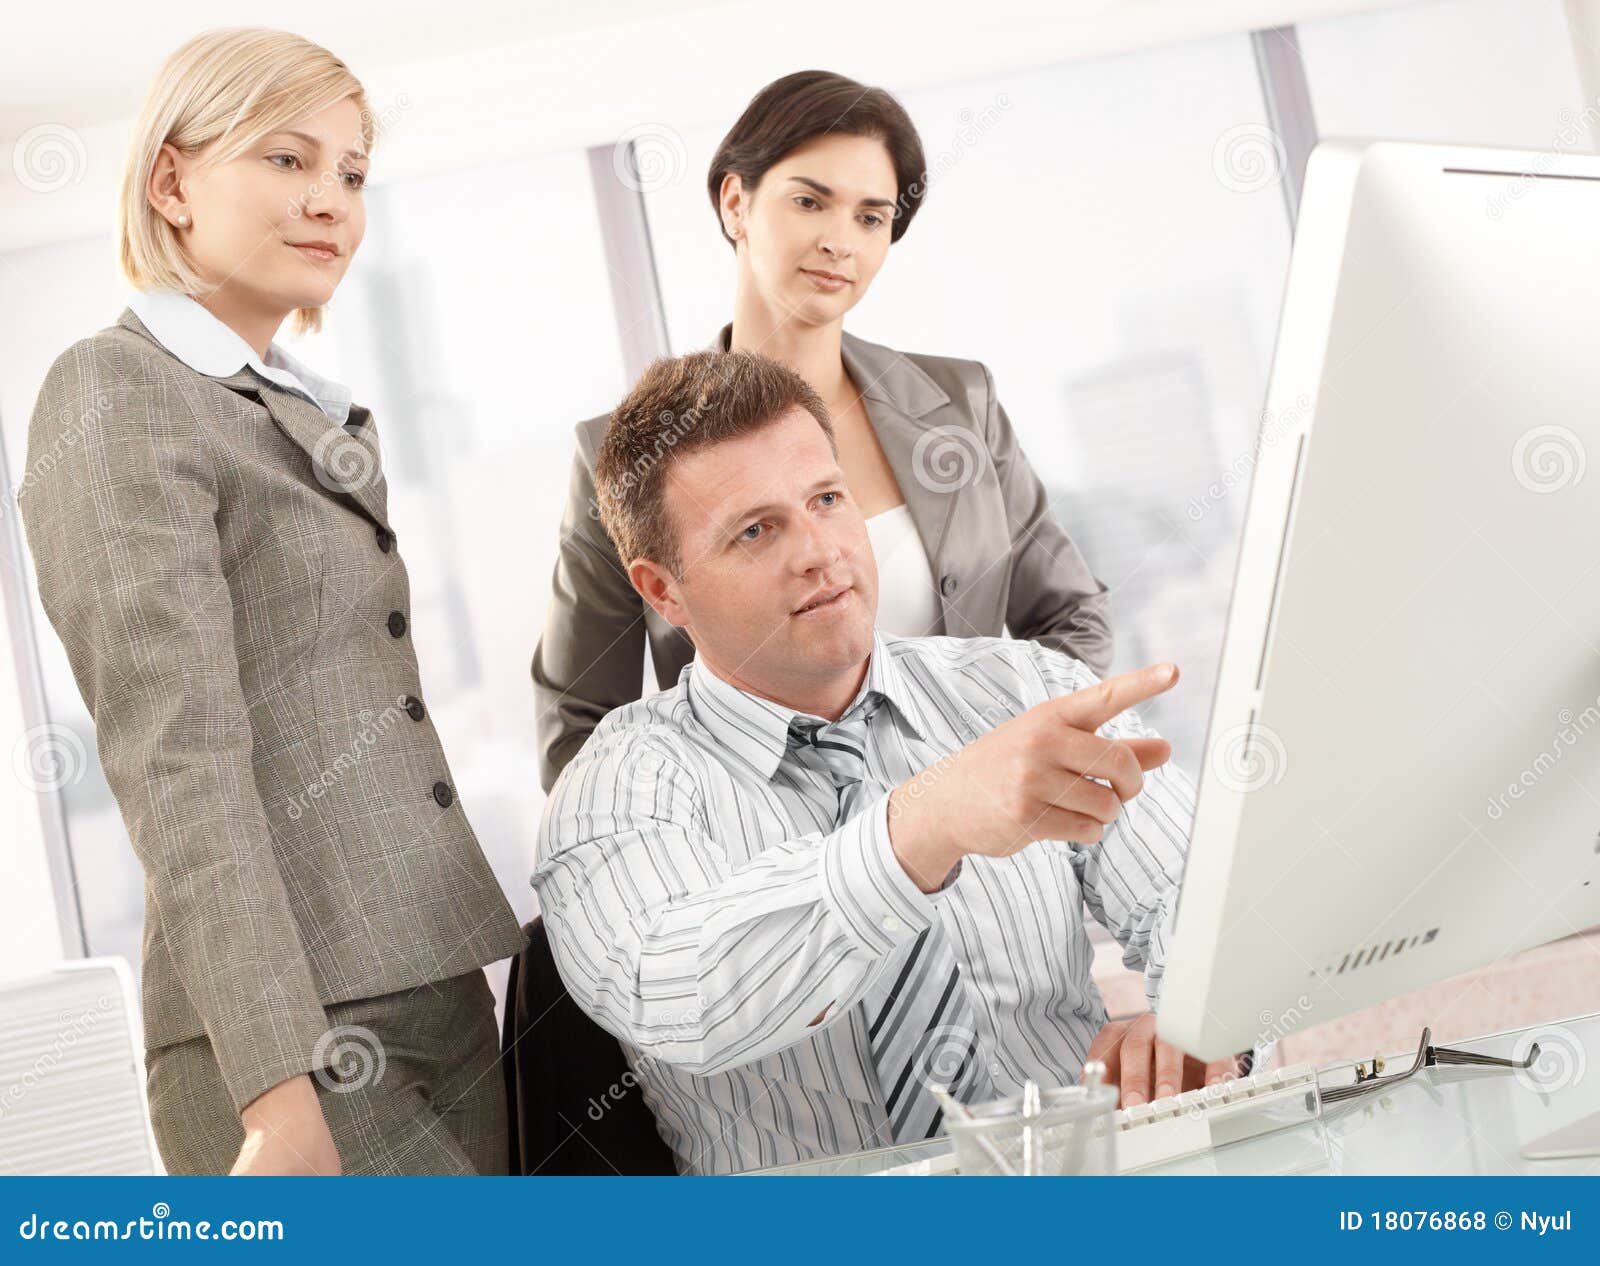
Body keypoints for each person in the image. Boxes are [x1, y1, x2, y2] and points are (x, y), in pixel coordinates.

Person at [19, 27, 524, 1175]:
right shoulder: (117, 389)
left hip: (435, 988)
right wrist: (271, 1082)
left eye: (351, 173)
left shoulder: (296, 406)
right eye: (287, 161)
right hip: (296, 1033)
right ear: (172, 181)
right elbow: (175, 756)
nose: (330, 202)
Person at [533, 350, 1234, 1175]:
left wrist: (1194, 1018)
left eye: (828, 500)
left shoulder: (1023, 689)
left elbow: (1205, 896)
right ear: (663, 591)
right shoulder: (616, 791)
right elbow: (684, 998)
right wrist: (919, 828)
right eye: (756, 530)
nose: (820, 552)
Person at [532, 70, 1112, 791]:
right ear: (735, 202)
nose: (841, 241)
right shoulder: (621, 456)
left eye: (870, 217)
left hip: (986, 849)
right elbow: (581, 717)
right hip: (777, 863)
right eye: (810, 201)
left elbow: (1070, 617)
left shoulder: (961, 402)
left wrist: (1000, 769)